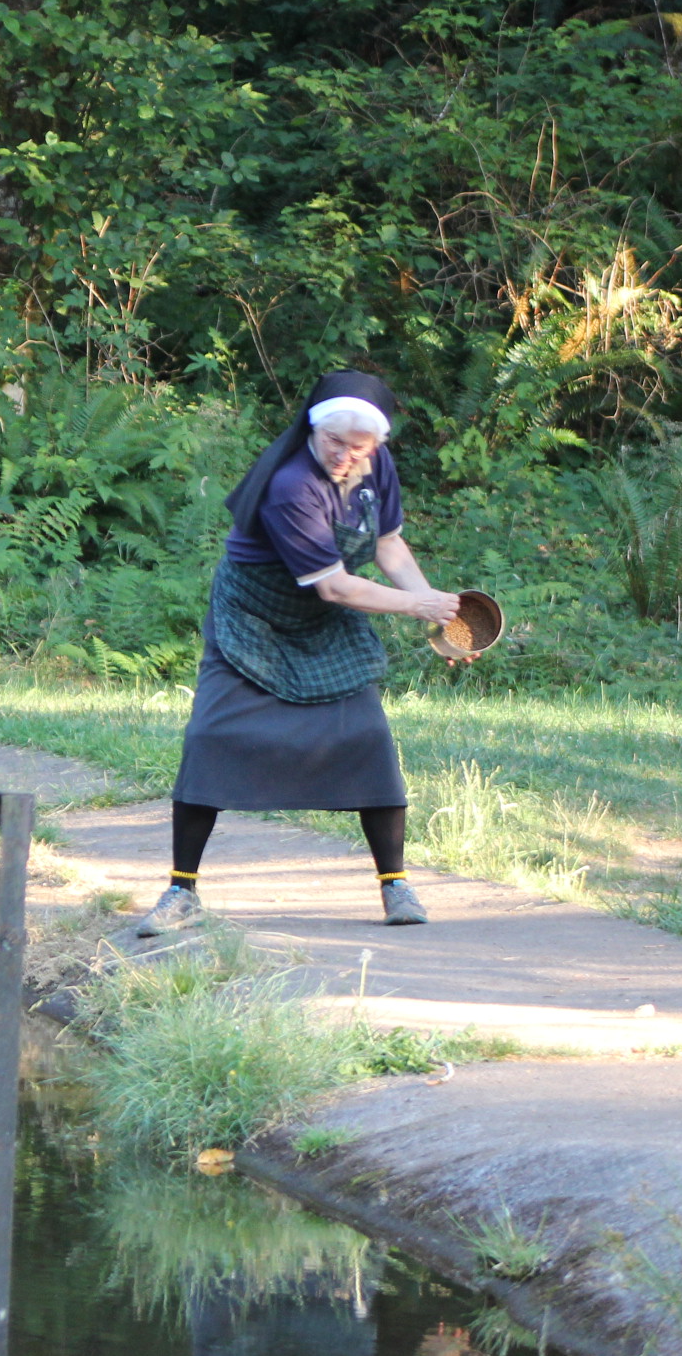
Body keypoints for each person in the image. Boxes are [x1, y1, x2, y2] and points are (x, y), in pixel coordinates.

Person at [138, 371, 461, 937]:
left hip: (324, 622)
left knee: (367, 738)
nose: (344, 456)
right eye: (334, 441)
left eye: (358, 447)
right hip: (254, 618)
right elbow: (335, 586)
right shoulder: (291, 484)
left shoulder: (374, 465)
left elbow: (387, 544)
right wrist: (421, 606)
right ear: (313, 428)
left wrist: (440, 616)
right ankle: (181, 891)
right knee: (210, 738)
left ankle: (396, 886)